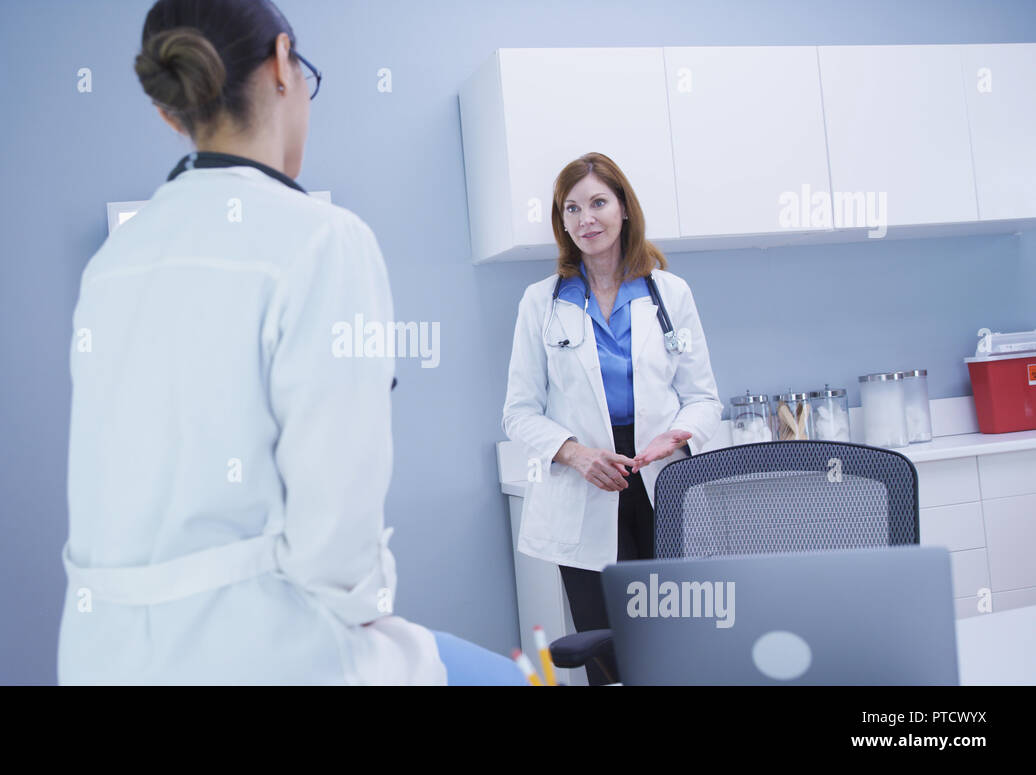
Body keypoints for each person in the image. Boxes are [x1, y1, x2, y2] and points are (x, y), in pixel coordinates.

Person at [57, 0, 523, 685]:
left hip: (102, 657)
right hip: (263, 651)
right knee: (517, 677)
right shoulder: (323, 239)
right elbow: (338, 556)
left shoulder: (113, 264)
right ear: (283, 65)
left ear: (169, 113)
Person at [502, 152, 723, 685]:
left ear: (624, 208)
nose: (586, 219)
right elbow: (518, 413)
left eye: (598, 202)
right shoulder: (541, 303)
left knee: (679, 641)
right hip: (586, 485)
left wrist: (677, 436)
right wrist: (574, 453)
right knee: (608, 653)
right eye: (571, 208)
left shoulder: (670, 294)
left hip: (663, 479)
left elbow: (704, 398)